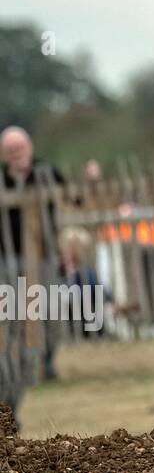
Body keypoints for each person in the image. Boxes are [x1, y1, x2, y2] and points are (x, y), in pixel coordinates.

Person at [1, 126, 66, 379]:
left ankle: (47, 361)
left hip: (44, 255)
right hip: (8, 257)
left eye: (20, 148)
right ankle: (23, 366)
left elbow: (73, 198)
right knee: (16, 315)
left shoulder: (47, 173)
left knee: (50, 309)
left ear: (29, 147)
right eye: (11, 150)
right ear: (3, 154)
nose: (17, 154)